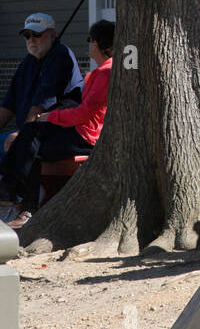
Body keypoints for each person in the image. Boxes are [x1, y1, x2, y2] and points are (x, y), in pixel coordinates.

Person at [0, 21, 114, 230]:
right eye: (27, 36)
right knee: (31, 136)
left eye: (90, 40)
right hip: (81, 132)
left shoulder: (104, 73)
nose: (31, 40)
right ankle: (14, 192)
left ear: (97, 44)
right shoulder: (99, 72)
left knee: (32, 141)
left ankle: (24, 203)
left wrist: (50, 117)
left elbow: (83, 114)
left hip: (88, 137)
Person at [0, 13, 83, 146]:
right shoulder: (28, 61)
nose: (31, 40)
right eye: (27, 35)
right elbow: (9, 104)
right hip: (33, 130)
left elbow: (42, 104)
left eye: (37, 34)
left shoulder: (61, 56)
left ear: (53, 35)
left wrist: (22, 133)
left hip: (56, 134)